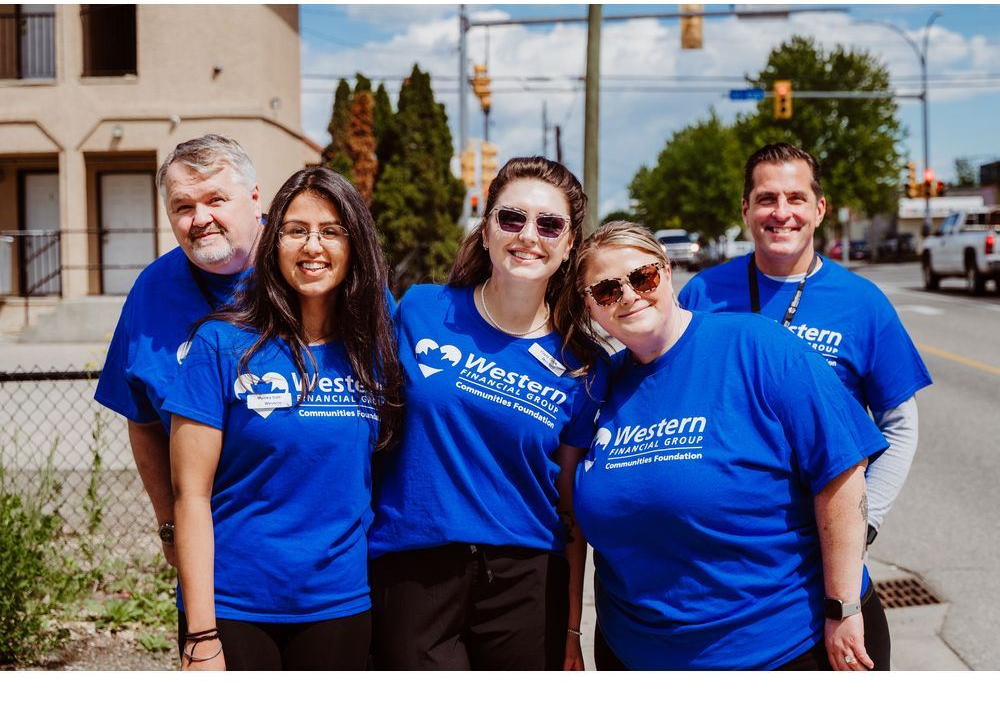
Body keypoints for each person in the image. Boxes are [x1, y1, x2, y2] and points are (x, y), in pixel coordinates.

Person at [562, 221, 889, 670]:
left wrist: (843, 606)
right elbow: (569, 519)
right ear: (590, 307)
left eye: (642, 277)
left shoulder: (757, 346)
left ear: (667, 271)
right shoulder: (597, 388)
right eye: (606, 290)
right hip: (636, 655)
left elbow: (842, 472)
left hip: (784, 646)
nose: (630, 296)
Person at [680, 142, 932, 669]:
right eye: (766, 197)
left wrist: (867, 522)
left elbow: (900, 424)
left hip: (826, 551)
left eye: (796, 197)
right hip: (730, 563)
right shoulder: (704, 294)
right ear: (745, 210)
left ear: (819, 209)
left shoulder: (862, 302)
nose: (781, 212)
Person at [368, 156, 607, 671]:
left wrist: (570, 627)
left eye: (549, 225)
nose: (528, 235)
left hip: (525, 579)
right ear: (486, 230)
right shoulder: (421, 308)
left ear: (568, 246)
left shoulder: (583, 365)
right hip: (415, 566)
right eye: (511, 218)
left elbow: (568, 509)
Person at [162, 167, 402, 670]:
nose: (312, 245)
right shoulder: (220, 345)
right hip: (234, 605)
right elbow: (191, 495)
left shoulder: (375, 350)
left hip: (339, 602)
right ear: (274, 243)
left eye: (331, 231)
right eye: (296, 230)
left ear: (354, 245)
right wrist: (201, 636)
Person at [95, 134, 263, 566]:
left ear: (255, 198)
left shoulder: (312, 268)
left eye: (216, 200)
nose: (200, 218)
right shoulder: (151, 290)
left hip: (331, 552)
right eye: (183, 207)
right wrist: (170, 525)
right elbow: (143, 419)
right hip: (211, 547)